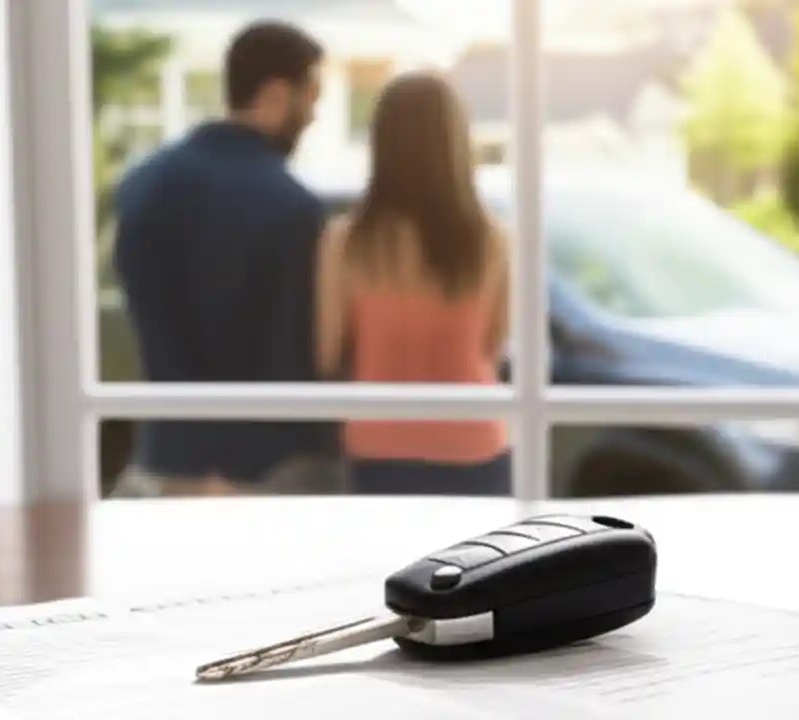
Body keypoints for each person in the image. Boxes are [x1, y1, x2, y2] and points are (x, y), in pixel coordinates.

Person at [112, 23, 340, 497]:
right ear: (278, 93)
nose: (314, 115)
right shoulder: (291, 208)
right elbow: (290, 352)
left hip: (165, 455)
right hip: (262, 470)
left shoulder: (142, 187)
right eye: (312, 95)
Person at [316, 72, 512, 495]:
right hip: (475, 437)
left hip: (379, 441)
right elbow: (493, 344)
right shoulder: (493, 239)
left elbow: (328, 351)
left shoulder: (346, 241)